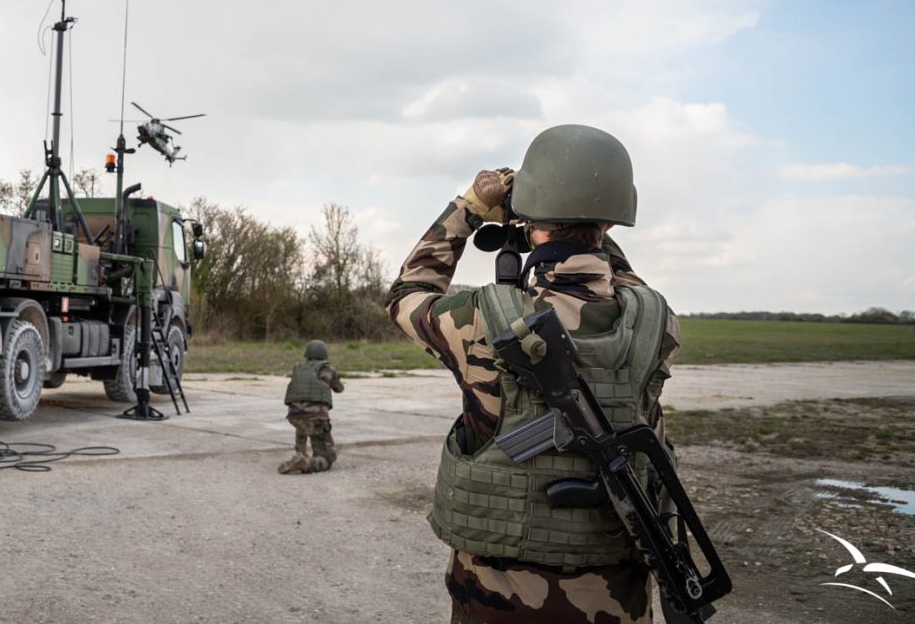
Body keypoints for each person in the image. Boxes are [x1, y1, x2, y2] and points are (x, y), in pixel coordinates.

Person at [386, 124, 681, 624]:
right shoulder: (657, 323)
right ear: (611, 223)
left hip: (498, 598)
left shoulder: (481, 320)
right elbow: (623, 280)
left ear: (531, 215)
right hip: (617, 597)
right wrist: (582, 221)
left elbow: (407, 293)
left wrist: (470, 207)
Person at [278, 339, 345, 474]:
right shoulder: (328, 369)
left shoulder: (298, 368)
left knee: (302, 422)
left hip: (293, 415)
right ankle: (306, 463)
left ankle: (300, 453)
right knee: (328, 457)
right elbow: (339, 388)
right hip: (316, 418)